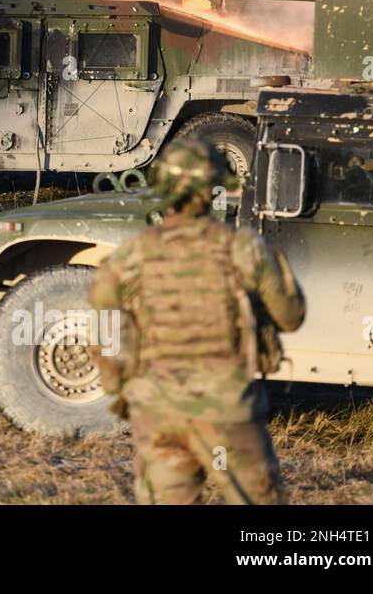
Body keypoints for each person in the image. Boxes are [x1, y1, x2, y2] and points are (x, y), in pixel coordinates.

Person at [87, 138, 307, 505]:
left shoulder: (133, 254)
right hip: (228, 412)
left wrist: (115, 381)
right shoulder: (245, 248)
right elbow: (292, 316)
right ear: (215, 188)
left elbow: (104, 317)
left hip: (158, 414)